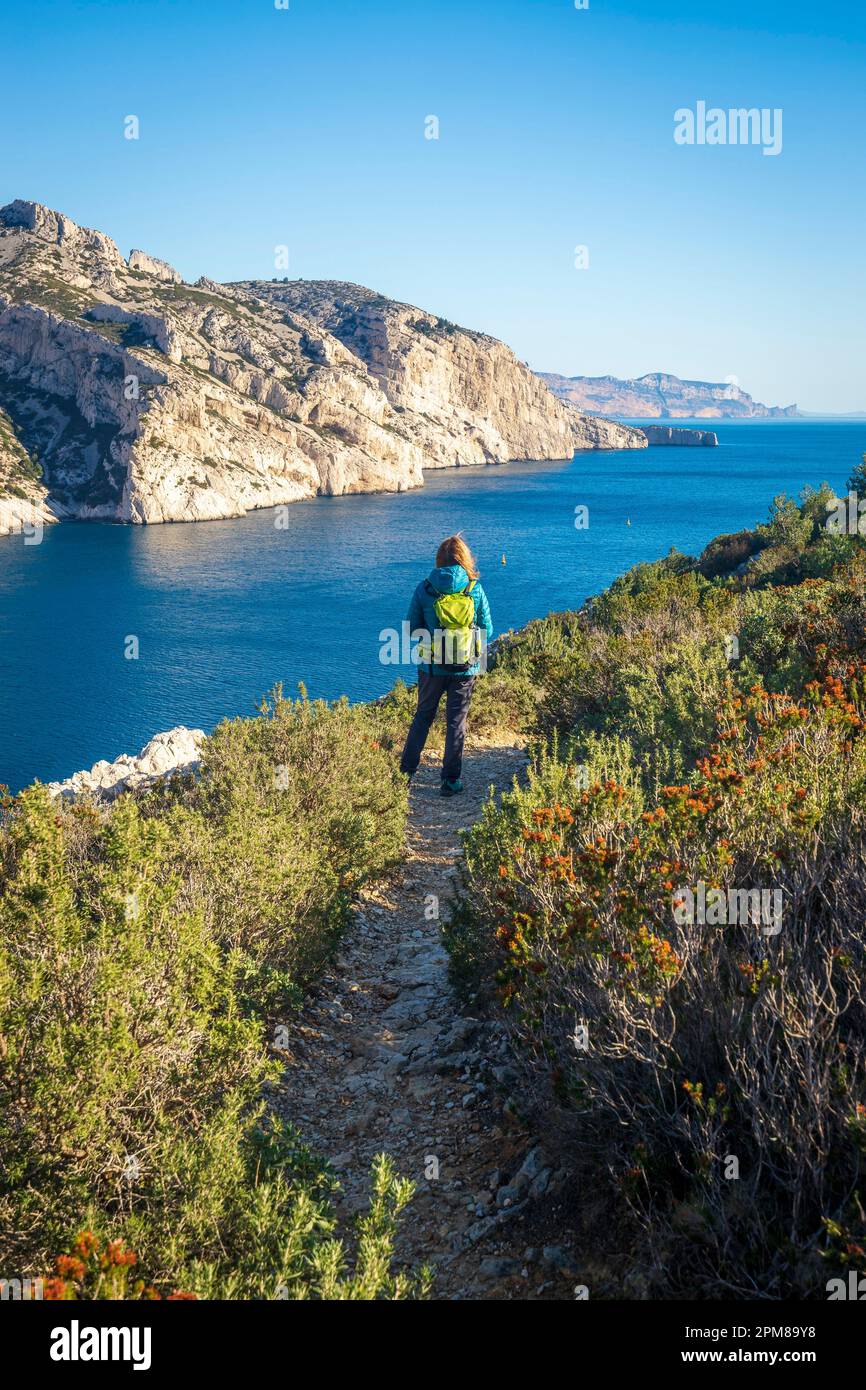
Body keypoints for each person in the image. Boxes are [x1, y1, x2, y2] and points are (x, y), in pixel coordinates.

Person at [400, 534, 493, 796]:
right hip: (466, 667)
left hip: (431, 666)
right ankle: (450, 781)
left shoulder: (425, 588)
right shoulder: (474, 589)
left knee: (423, 716)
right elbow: (487, 628)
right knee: (456, 721)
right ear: (466, 559)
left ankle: (404, 775)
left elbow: (411, 628)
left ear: (439, 560)